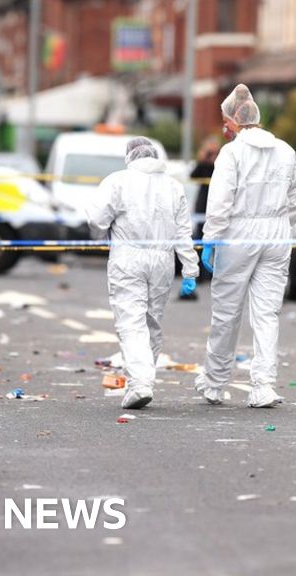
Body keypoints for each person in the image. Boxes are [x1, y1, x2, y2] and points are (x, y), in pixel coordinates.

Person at [193, 84, 296, 408]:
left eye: (225, 122)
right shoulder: (286, 151)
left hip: (240, 232)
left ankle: (214, 382)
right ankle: (263, 385)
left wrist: (211, 240)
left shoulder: (233, 153)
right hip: (278, 233)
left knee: (227, 312)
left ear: (234, 121)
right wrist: (285, 232)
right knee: (267, 313)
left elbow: (220, 203)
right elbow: (293, 202)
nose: (224, 128)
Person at [85, 137, 200, 410]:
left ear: (130, 157)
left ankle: (140, 383)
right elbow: (183, 232)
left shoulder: (118, 181)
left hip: (128, 257)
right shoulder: (173, 186)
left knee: (130, 321)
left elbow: (96, 219)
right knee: (151, 322)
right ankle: (144, 379)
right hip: (162, 260)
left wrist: (100, 235)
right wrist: (190, 268)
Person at [180, 135, 222, 301]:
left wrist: (215, 160)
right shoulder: (203, 166)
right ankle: (199, 273)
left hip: (217, 208)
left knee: (218, 244)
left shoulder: (222, 165)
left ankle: (215, 274)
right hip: (202, 208)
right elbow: (193, 175)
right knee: (199, 241)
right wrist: (203, 159)